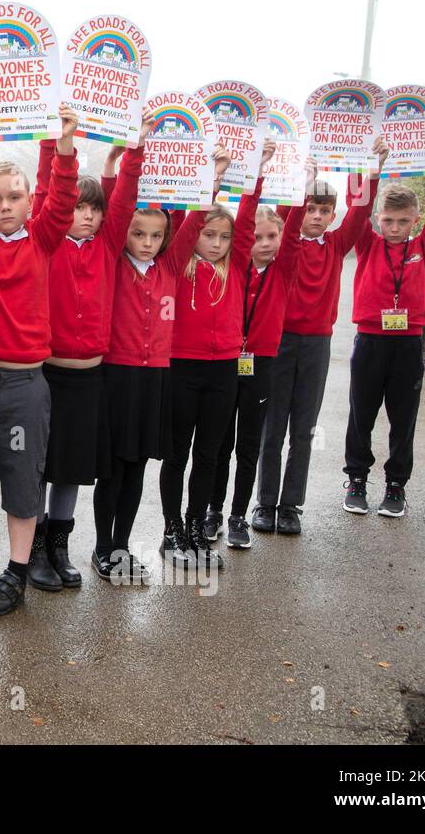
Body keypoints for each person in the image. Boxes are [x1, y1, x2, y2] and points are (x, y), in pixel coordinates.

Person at [0, 102, 80, 617]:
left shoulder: (44, 239)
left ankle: (17, 572)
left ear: (30, 202)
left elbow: (63, 195)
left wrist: (63, 143)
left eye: (15, 197)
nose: (5, 205)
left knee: (25, 480)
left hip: (25, 386)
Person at [25, 122, 148, 591]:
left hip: (88, 379)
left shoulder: (108, 246)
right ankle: (34, 546)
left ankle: (60, 544)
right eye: (79, 208)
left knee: (72, 468)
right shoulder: (48, 240)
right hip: (47, 373)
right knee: (40, 464)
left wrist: (131, 152)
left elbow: (125, 199)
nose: (88, 217)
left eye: (94, 210)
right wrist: (52, 140)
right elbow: (44, 189)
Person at [254, 137, 388, 536]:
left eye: (323, 210)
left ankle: (291, 505)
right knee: (272, 427)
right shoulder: (288, 245)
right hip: (279, 343)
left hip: (316, 345)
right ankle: (265, 504)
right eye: (310, 208)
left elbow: (362, 210)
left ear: (332, 216)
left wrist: (370, 169)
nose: (315, 216)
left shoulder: (337, 243)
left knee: (303, 430)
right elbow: (286, 218)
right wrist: (303, 181)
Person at [91, 152, 215, 582]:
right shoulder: (110, 260)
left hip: (155, 379)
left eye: (156, 235)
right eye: (139, 233)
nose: (147, 242)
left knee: (139, 466)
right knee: (114, 468)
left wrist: (210, 179)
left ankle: (122, 547)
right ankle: (102, 547)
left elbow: (194, 222)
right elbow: (117, 204)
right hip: (118, 378)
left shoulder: (170, 265)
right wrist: (121, 164)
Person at [159, 141, 275, 568]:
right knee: (177, 454)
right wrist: (213, 181)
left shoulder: (238, 267)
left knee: (208, 454)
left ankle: (193, 526)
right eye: (209, 235)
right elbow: (186, 224)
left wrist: (258, 173)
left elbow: (246, 223)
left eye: (223, 238)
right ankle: (171, 529)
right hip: (182, 367)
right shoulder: (177, 262)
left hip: (224, 369)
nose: (217, 242)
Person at [342, 124, 425, 518]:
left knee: (403, 417)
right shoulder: (367, 242)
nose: (395, 229)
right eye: (388, 221)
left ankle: (396, 487)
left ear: (414, 220)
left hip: (409, 342)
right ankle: (356, 479)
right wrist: (372, 169)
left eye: (403, 222)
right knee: (362, 414)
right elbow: (356, 208)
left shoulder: (424, 245)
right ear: (379, 219)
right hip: (370, 340)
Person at [205, 164, 304, 549]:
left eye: (272, 236)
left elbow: (294, 231)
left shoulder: (283, 271)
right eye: (257, 236)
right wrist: (256, 176)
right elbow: (243, 219)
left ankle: (237, 516)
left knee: (248, 445)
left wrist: (306, 185)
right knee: (218, 443)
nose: (264, 243)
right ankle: (213, 510)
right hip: (229, 361)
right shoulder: (236, 267)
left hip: (262, 364)